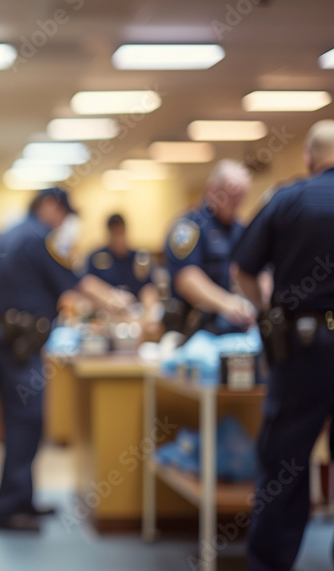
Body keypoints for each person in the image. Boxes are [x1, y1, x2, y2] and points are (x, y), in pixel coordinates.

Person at [0, 187, 135, 532]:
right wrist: (117, 302)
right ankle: (10, 510)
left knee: (21, 422)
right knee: (26, 421)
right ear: (49, 206)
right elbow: (75, 282)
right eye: (63, 214)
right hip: (19, 345)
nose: (64, 222)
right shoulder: (39, 238)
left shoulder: (9, 234)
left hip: (3, 339)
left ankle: (22, 500)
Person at [233, 120, 334, 571]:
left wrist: (266, 310)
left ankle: (270, 564)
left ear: (309, 157)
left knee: (285, 463)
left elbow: (243, 269)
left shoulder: (288, 199)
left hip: (302, 347)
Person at [163, 160, 258, 335]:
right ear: (212, 191)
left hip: (237, 330)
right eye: (232, 196)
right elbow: (186, 279)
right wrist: (227, 303)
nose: (237, 203)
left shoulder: (242, 230)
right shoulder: (189, 227)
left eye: (242, 197)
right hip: (195, 329)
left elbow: (257, 273)